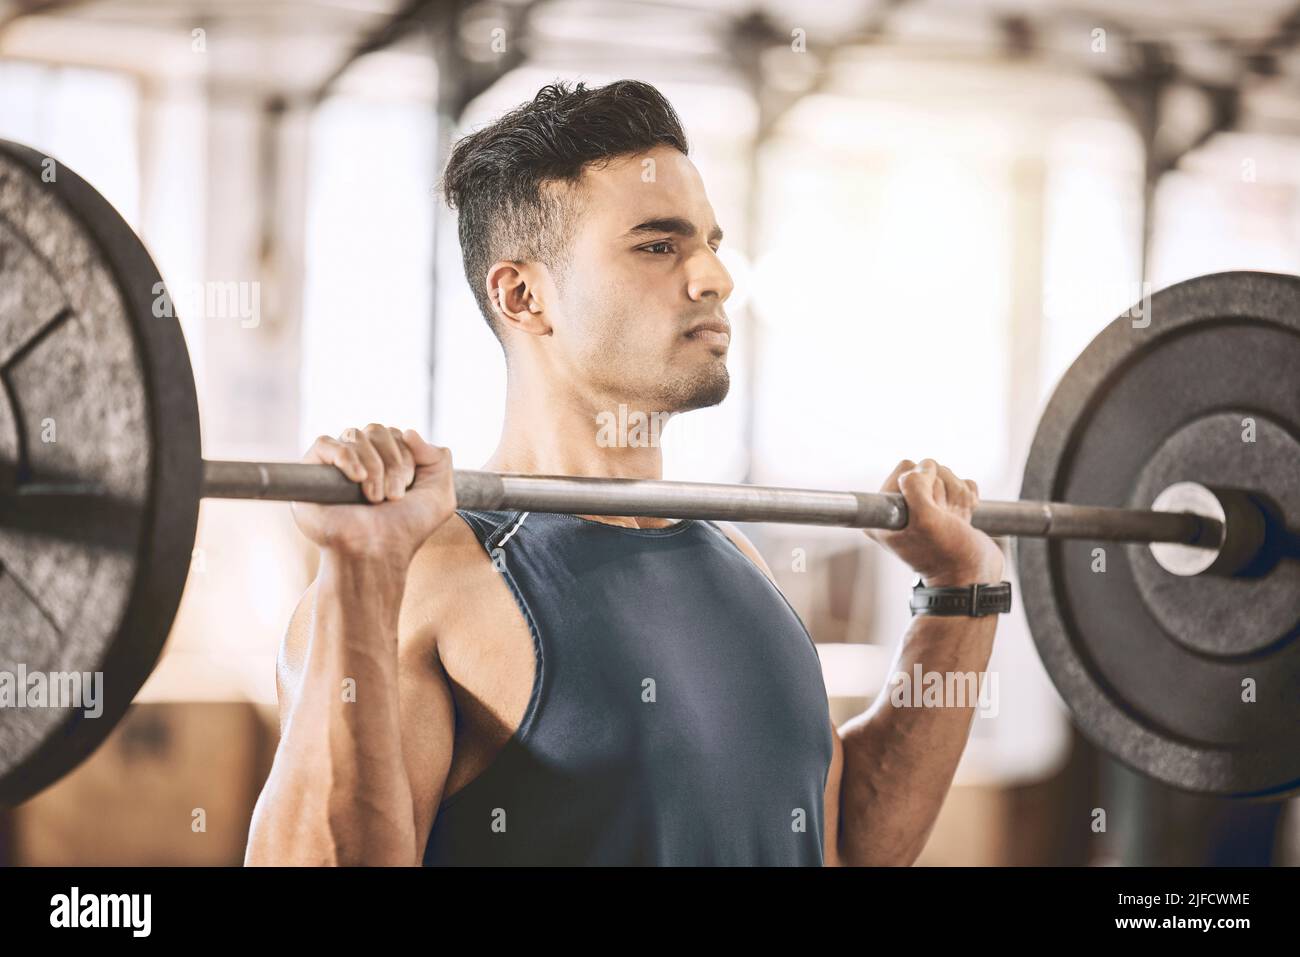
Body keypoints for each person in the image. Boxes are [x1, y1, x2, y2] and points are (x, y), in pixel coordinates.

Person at [244, 79, 1005, 866]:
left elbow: (844, 845)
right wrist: (361, 576)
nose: (714, 275)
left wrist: (961, 596)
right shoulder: (422, 583)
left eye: (709, 241)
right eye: (657, 244)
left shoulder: (736, 563)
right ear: (523, 294)